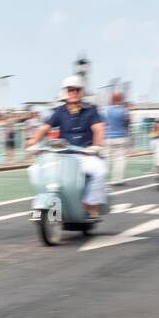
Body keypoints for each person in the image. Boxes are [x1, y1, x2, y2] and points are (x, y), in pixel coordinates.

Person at [27, 75, 108, 217]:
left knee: (100, 170)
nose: (74, 92)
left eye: (77, 90)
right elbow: (44, 128)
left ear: (82, 92)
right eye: (71, 90)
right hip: (63, 155)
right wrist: (33, 142)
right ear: (65, 92)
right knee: (34, 170)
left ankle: (91, 205)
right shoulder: (60, 111)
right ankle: (43, 201)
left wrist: (97, 145)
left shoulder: (91, 110)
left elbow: (98, 129)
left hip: (85, 154)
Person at [104, 91, 132, 182]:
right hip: (122, 137)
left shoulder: (106, 110)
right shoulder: (124, 111)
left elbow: (104, 123)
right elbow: (128, 123)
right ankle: (117, 179)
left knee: (106, 159)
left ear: (112, 100)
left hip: (108, 137)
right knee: (120, 159)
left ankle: (103, 178)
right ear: (121, 100)